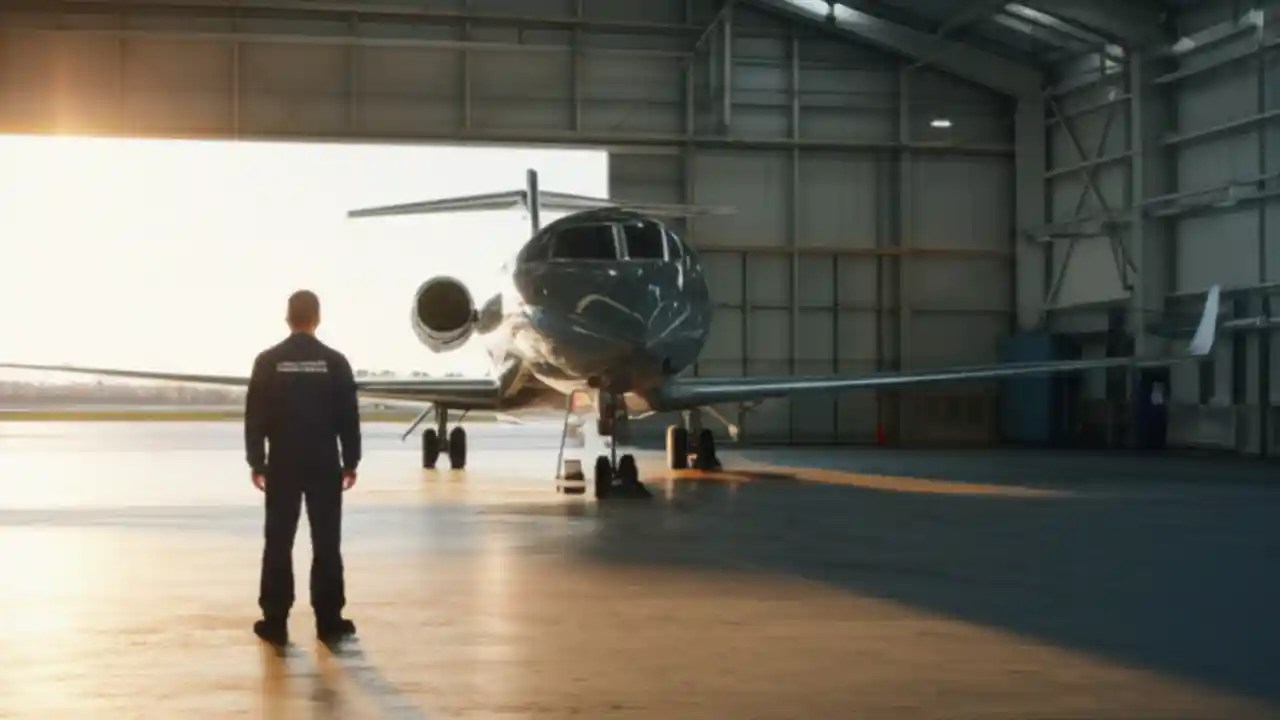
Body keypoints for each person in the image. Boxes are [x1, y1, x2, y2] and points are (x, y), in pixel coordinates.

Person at [245, 289, 362, 646]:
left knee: (278, 542)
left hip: (283, 463)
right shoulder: (335, 362)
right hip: (323, 462)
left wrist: (257, 462)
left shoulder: (268, 361)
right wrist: (350, 461)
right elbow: (348, 417)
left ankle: (275, 620)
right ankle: (329, 620)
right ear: (317, 318)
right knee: (326, 542)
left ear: (288, 318)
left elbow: (255, 417)